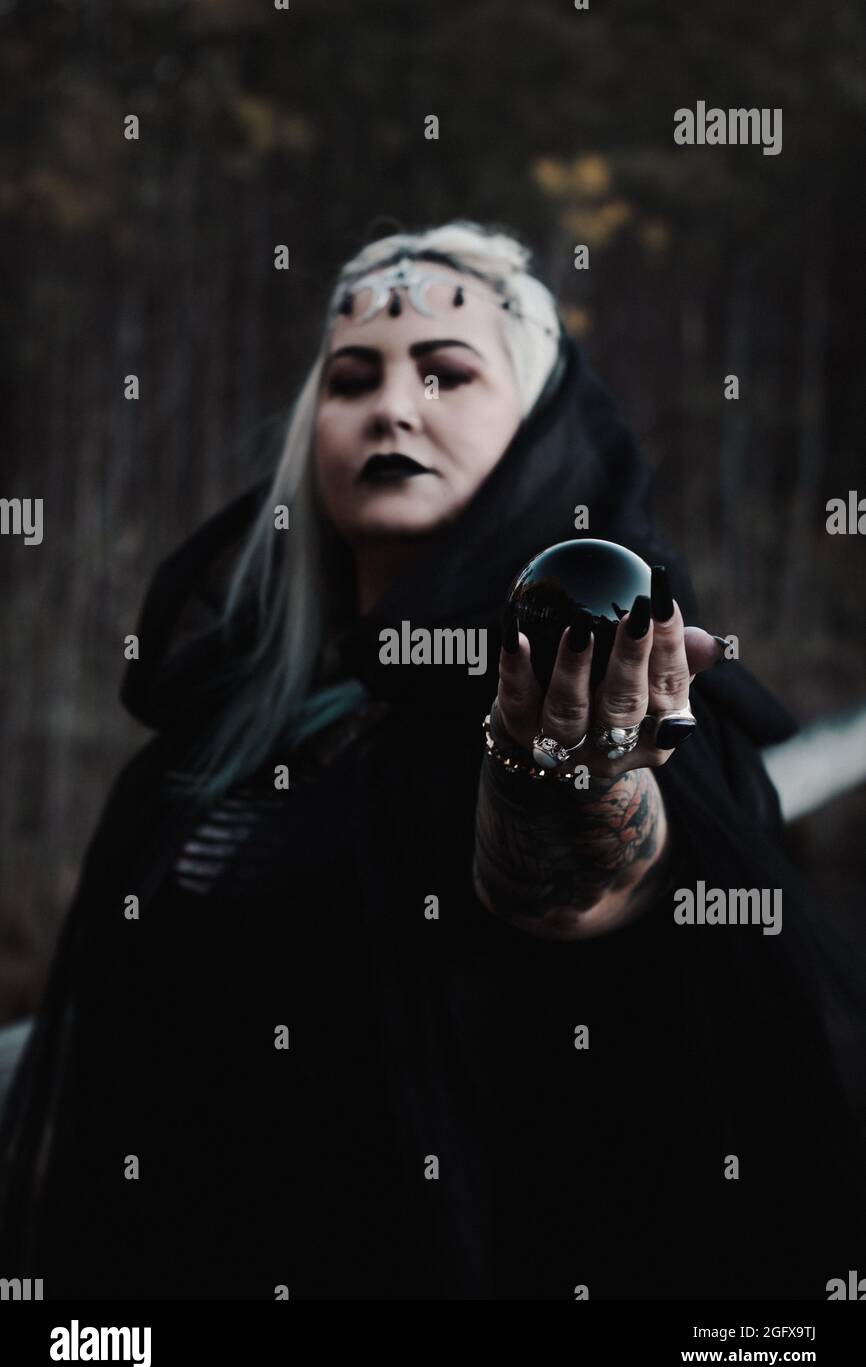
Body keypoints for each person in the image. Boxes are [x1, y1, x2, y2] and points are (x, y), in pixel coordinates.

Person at [0, 220, 863, 1301]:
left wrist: (564, 784)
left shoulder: (573, 678)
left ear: (538, 426)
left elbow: (572, 888)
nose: (392, 406)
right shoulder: (220, 725)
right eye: (350, 377)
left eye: (446, 372)